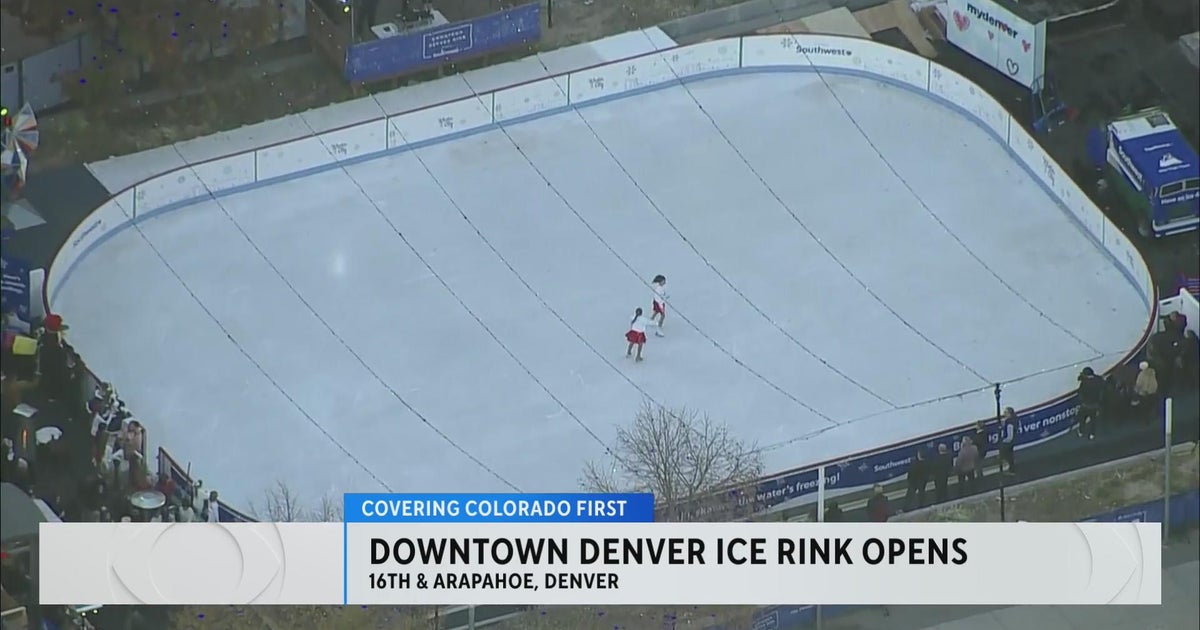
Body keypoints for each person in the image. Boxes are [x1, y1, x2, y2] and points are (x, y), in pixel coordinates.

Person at [1077, 367, 1104, 439]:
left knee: (1082, 419)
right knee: (1093, 420)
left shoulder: (1085, 383)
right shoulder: (1099, 379)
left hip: (1086, 405)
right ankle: (1092, 433)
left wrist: (1081, 401)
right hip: (1095, 405)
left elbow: (1080, 393)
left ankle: (1081, 431)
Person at [998, 407, 1017, 474]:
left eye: (1005, 412)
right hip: (1009, 443)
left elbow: (1010, 436)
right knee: (1009, 457)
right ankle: (1011, 470)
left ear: (1009, 413)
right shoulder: (1009, 421)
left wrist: (1004, 441)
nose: (1004, 414)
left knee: (1008, 457)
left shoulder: (1010, 423)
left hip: (1008, 443)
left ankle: (1011, 470)